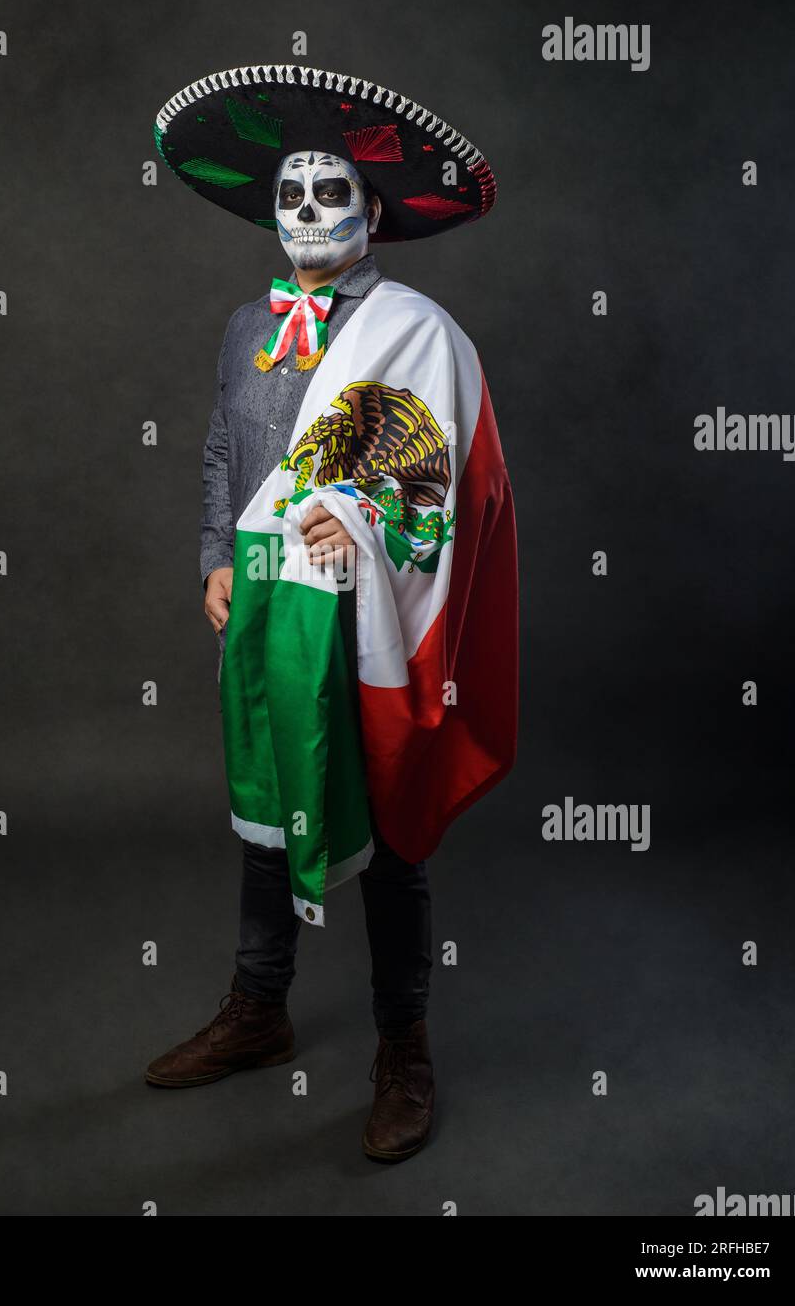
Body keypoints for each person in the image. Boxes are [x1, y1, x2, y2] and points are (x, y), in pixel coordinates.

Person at [145, 65, 518, 1163]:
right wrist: (218, 557)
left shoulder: (414, 330)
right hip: (266, 605)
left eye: (330, 195)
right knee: (268, 806)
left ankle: (403, 1045)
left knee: (391, 826)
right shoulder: (241, 328)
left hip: (373, 619)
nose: (308, 213)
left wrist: (355, 515)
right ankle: (258, 1012)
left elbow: (447, 473)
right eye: (291, 197)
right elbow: (224, 451)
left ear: (373, 213)